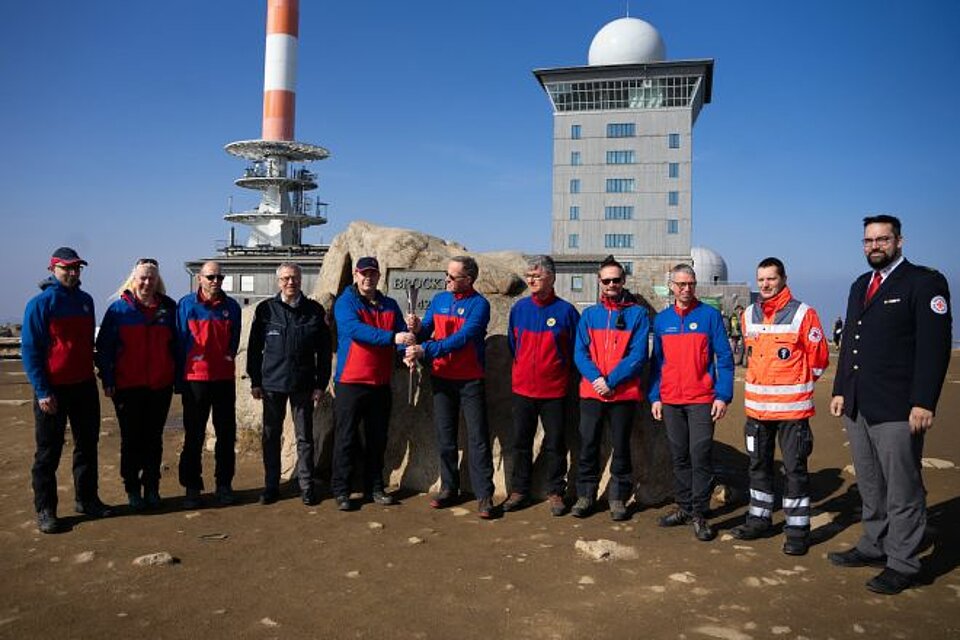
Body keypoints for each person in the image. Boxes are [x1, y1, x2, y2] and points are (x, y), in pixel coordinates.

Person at [828, 214, 952, 595]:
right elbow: (851, 342)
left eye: (882, 239)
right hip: (858, 404)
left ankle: (903, 562)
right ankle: (873, 544)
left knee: (902, 487)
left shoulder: (924, 281)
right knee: (870, 483)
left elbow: (935, 348)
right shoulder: (859, 285)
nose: (874, 246)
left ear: (899, 241)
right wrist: (840, 389)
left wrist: (923, 401)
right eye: (868, 240)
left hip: (899, 407)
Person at [731, 257, 829, 556]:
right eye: (761, 279)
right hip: (757, 411)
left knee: (794, 470)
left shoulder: (803, 313)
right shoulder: (748, 315)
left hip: (791, 412)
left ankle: (797, 530)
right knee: (758, 467)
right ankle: (758, 519)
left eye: (771, 279)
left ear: (783, 278)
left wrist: (797, 385)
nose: (765, 284)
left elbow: (819, 359)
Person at [22, 247, 113, 533]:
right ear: (53, 269)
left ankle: (87, 500)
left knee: (87, 446)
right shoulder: (40, 304)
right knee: (48, 452)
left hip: (84, 385)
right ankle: (46, 510)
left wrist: (105, 374)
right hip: (53, 390)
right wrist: (41, 390)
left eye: (77, 268)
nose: (73, 273)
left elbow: (89, 345)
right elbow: (30, 350)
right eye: (67, 268)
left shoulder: (86, 301)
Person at [404, 256, 496, 519]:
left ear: (469, 280)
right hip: (442, 377)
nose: (447, 280)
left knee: (478, 439)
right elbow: (427, 330)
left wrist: (427, 348)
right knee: (445, 436)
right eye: (447, 274)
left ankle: (483, 495)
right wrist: (418, 327)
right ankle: (448, 487)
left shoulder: (480, 305)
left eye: (453, 277)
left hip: (470, 380)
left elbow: (463, 338)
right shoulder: (439, 300)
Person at [649, 264, 734, 541]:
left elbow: (725, 359)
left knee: (700, 456)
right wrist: (655, 396)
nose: (686, 289)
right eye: (681, 284)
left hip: (701, 400)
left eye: (691, 284)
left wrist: (722, 395)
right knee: (680, 457)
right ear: (671, 286)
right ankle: (684, 508)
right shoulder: (662, 320)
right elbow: (656, 364)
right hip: (671, 400)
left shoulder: (709, 316)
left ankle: (700, 513)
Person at [330, 257, 415, 511]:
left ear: (379, 276)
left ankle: (375, 486)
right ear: (356, 275)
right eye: (364, 273)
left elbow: (401, 334)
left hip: (380, 383)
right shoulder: (345, 303)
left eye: (373, 274)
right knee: (345, 438)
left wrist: (406, 350)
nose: (368, 278)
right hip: (351, 382)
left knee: (378, 439)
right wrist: (393, 337)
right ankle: (341, 490)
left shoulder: (389, 304)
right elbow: (356, 331)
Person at [571, 255, 649, 521]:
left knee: (621, 447)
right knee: (588, 445)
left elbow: (638, 355)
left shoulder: (637, 314)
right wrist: (596, 379)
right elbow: (579, 352)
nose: (612, 284)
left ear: (624, 281)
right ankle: (586, 495)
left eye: (616, 280)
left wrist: (611, 381)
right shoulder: (589, 315)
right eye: (607, 280)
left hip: (622, 393)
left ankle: (618, 497)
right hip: (592, 392)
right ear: (600, 282)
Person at [96, 259, 177, 511]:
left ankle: (152, 487)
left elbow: (178, 345)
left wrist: (176, 375)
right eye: (142, 277)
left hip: (159, 386)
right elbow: (104, 349)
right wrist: (108, 380)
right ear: (134, 279)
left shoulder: (169, 309)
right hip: (127, 386)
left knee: (154, 439)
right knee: (131, 440)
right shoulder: (118, 310)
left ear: (158, 280)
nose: (147, 282)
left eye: (151, 277)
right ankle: (132, 489)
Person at [247, 262, 331, 506]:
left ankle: (306, 486)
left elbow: (324, 352)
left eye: (294, 278)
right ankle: (271, 486)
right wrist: (255, 380)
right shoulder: (266, 310)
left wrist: (320, 383)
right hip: (271, 384)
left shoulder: (314, 310)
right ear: (278, 282)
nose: (290, 282)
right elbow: (254, 349)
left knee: (305, 438)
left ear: (301, 279)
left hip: (303, 383)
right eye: (285, 278)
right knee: (271, 436)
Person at [503, 255, 580, 516]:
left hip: (555, 391)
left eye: (537, 275)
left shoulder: (567, 312)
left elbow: (573, 352)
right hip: (523, 389)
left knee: (556, 443)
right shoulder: (519, 309)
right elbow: (514, 345)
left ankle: (556, 491)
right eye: (529, 275)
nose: (531, 279)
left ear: (551, 277)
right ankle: (519, 491)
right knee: (520, 442)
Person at [176, 261, 242, 508]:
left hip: (224, 379)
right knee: (194, 435)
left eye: (219, 278)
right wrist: (180, 379)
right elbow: (180, 342)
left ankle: (224, 485)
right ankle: (192, 487)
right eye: (211, 277)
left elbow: (233, 342)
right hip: (195, 380)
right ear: (200, 279)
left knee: (226, 435)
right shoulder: (186, 305)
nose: (216, 282)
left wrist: (225, 358)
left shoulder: (232, 307)